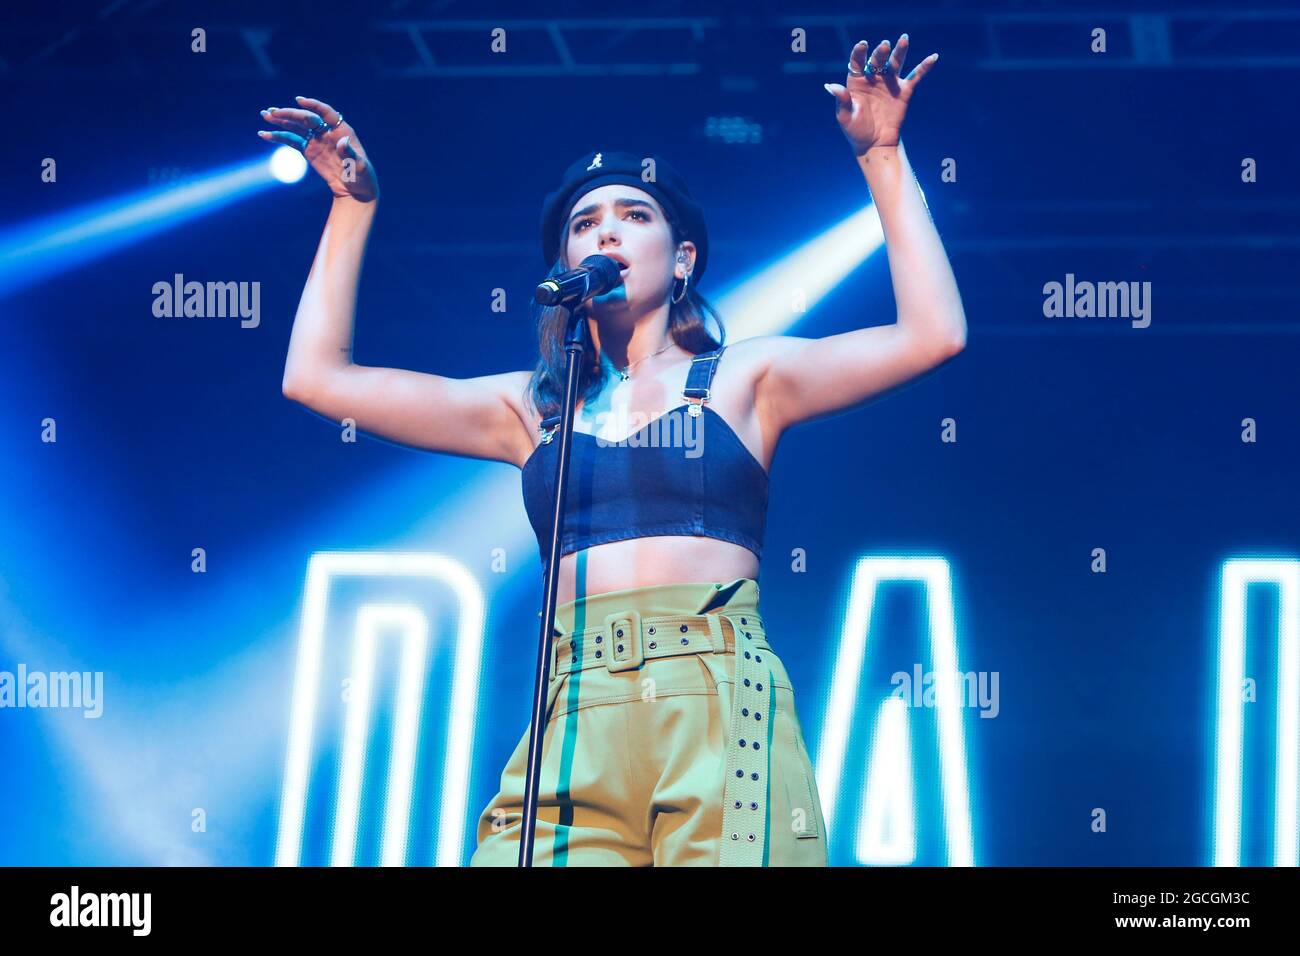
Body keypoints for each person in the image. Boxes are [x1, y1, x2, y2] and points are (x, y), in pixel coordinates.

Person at [267, 35, 963, 866]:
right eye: (585, 224)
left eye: (635, 216)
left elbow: (933, 334)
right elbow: (315, 377)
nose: (608, 234)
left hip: (716, 701)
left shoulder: (748, 378)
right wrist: (353, 210)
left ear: (683, 257)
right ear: (566, 262)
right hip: (573, 710)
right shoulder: (527, 407)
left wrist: (882, 157)